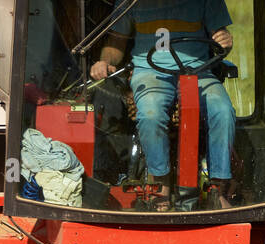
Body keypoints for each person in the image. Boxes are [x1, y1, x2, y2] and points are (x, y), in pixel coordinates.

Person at [89, 1, 236, 211]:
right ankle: (160, 182)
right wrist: (104, 61)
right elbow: (116, 42)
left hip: (198, 69)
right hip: (149, 71)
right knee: (150, 114)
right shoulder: (131, 3)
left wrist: (226, 41)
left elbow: (221, 37)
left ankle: (217, 187)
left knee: (222, 110)